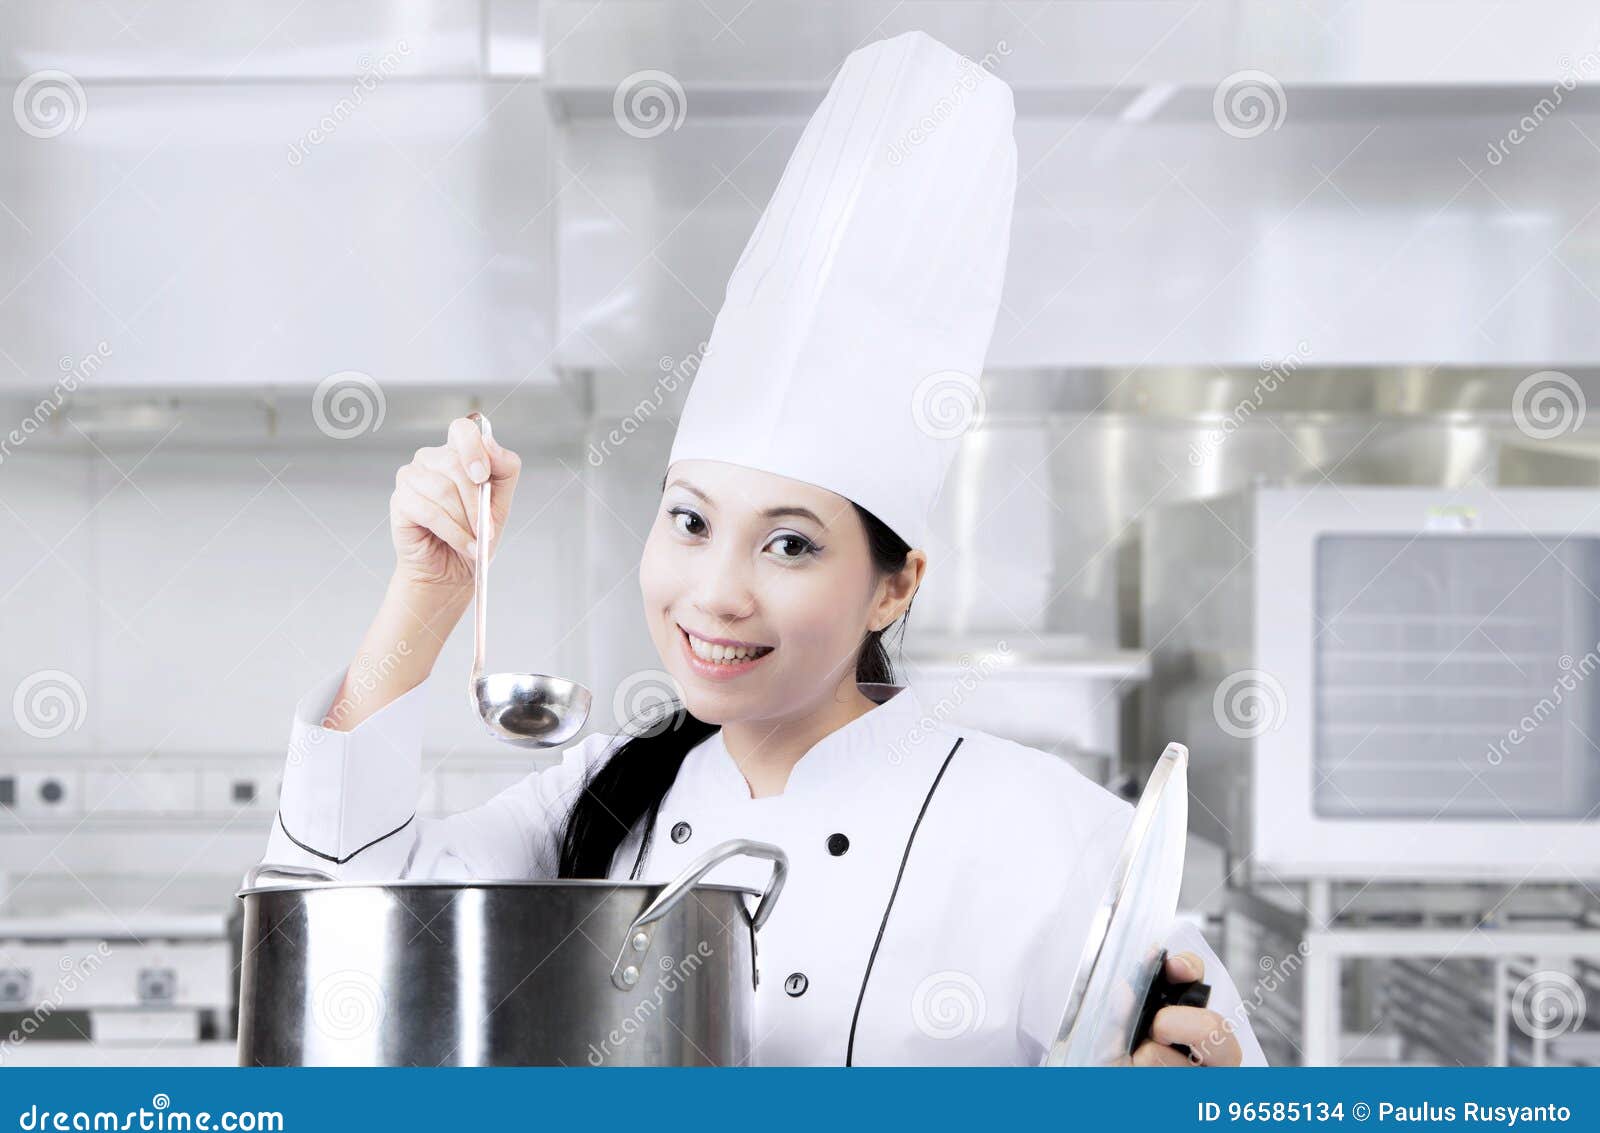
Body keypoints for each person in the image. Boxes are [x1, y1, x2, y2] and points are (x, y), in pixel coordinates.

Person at [254, 29, 1266, 1067]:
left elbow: (1222, 1089)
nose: (715, 593)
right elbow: (335, 915)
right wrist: (427, 595)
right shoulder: (597, 800)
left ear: (893, 585)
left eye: (789, 545)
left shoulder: (1057, 840)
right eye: (689, 521)